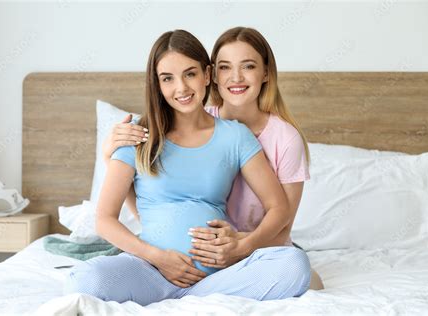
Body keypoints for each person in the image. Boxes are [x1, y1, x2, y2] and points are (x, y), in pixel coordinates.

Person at [65, 29, 311, 306]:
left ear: (207, 75)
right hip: (151, 270)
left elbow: (278, 207)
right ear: (156, 84)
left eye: (190, 74)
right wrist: (159, 257)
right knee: (84, 279)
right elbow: (104, 219)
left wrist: (240, 248)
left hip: (221, 274)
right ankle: (192, 298)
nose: (181, 88)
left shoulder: (235, 135)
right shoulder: (138, 135)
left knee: (294, 265)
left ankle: (192, 298)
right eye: (167, 78)